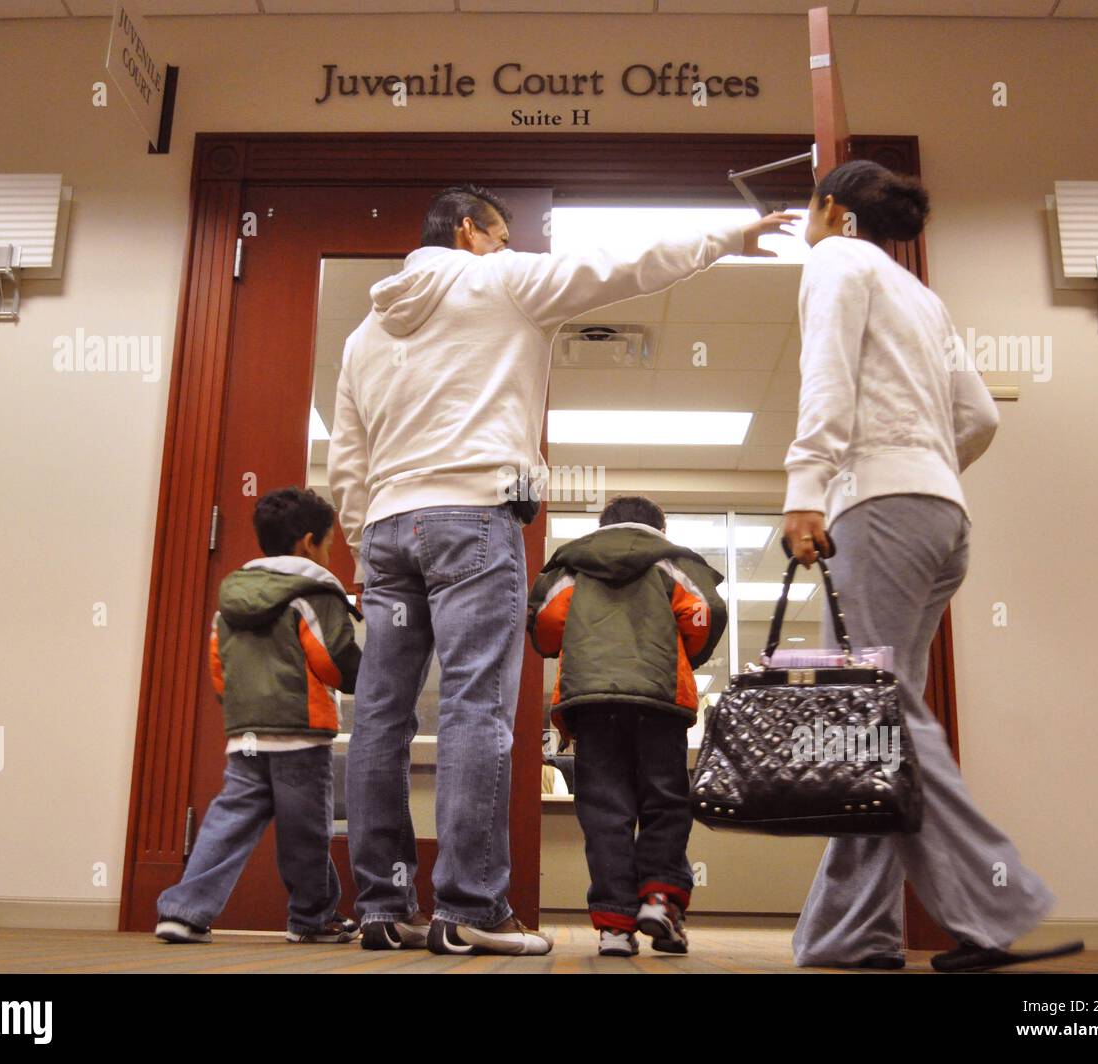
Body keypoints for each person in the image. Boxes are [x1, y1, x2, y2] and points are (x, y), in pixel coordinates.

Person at [327, 184, 783, 956]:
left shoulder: (365, 331)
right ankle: (468, 905)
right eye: (502, 236)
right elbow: (620, 266)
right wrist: (730, 235)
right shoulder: (500, 281)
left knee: (379, 717)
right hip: (472, 515)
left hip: (387, 528)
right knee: (477, 708)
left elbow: (348, 459)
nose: (510, 248)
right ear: (471, 233)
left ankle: (382, 904)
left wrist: (364, 542)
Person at [781, 159, 1083, 973]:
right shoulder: (922, 295)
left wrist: (808, 487)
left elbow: (827, 378)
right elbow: (978, 416)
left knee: (880, 721)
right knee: (877, 729)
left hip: (875, 513)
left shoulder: (836, 261)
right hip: (940, 517)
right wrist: (926, 469)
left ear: (832, 210)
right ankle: (851, 935)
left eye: (808, 208)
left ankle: (996, 907)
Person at [154, 487, 362, 946]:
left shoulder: (234, 595)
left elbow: (218, 664)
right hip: (301, 733)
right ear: (309, 542)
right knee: (304, 832)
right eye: (329, 545)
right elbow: (332, 659)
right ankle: (311, 919)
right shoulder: (315, 591)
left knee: (228, 822)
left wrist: (242, 715)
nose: (329, 555)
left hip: (245, 734)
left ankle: (183, 912)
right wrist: (361, 679)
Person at [527, 495, 727, 957]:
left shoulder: (573, 566)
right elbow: (705, 613)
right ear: (660, 527)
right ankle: (659, 899)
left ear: (603, 526)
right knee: (666, 800)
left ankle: (614, 925)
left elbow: (546, 624)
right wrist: (683, 650)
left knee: (604, 810)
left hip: (593, 703)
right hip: (660, 699)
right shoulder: (672, 563)